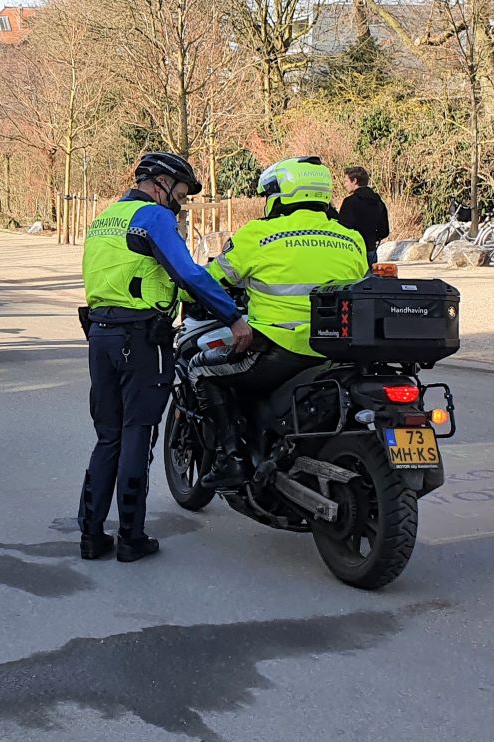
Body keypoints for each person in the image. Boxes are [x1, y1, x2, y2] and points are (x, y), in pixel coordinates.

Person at [78, 153, 249, 563]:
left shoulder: (105, 219)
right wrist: (232, 315)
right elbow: (187, 273)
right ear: (159, 183)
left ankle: (91, 534)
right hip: (140, 342)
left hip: (100, 336)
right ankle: (131, 537)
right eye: (180, 193)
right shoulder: (153, 217)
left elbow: (146, 275)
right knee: (138, 434)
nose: (181, 202)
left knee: (108, 436)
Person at [191, 157, 368, 490]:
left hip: (280, 350)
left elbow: (212, 281)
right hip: (335, 350)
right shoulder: (350, 237)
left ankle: (232, 460)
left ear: (279, 193)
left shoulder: (258, 235)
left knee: (201, 370)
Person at [336, 165, 390, 266]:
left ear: (355, 181)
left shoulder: (349, 202)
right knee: (370, 280)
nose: (344, 185)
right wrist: (372, 237)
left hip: (352, 251)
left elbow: (342, 229)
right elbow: (384, 231)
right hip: (371, 250)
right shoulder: (378, 202)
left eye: (346, 181)